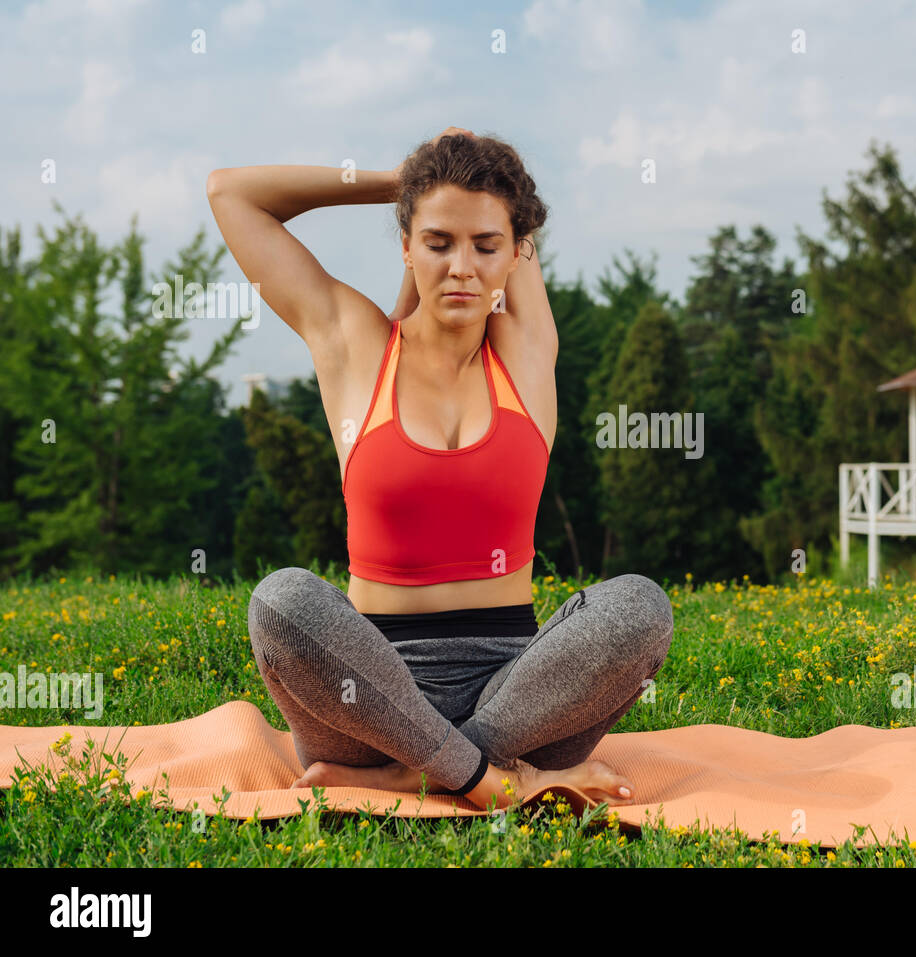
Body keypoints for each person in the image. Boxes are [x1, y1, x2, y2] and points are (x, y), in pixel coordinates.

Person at [207, 128, 674, 812]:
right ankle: (490, 779)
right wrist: (397, 181)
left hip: (518, 696)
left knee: (640, 606)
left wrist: (465, 192)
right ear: (406, 245)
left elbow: (518, 214)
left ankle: (422, 775)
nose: (462, 266)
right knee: (280, 600)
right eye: (437, 241)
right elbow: (232, 194)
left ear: (517, 254)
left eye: (486, 246)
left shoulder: (527, 351)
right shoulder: (355, 344)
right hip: (366, 705)